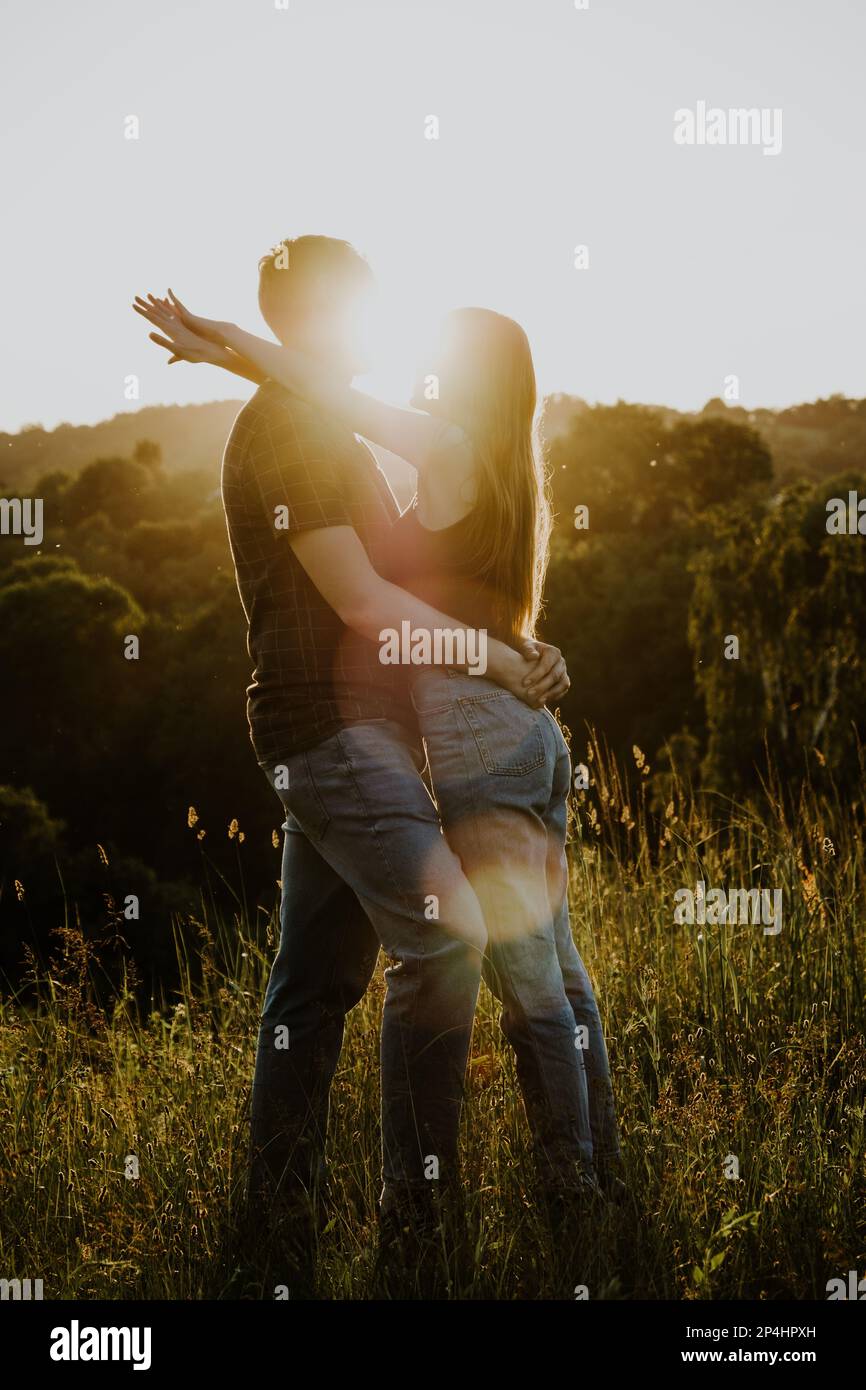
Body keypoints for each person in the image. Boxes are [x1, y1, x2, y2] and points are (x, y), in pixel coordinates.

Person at [134, 238, 572, 1293]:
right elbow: (368, 604)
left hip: (351, 738)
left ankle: (274, 1226)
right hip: (331, 735)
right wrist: (499, 661)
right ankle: (415, 1227)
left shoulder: (312, 410)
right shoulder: (292, 431)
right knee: (449, 939)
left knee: (312, 990)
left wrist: (234, 347)